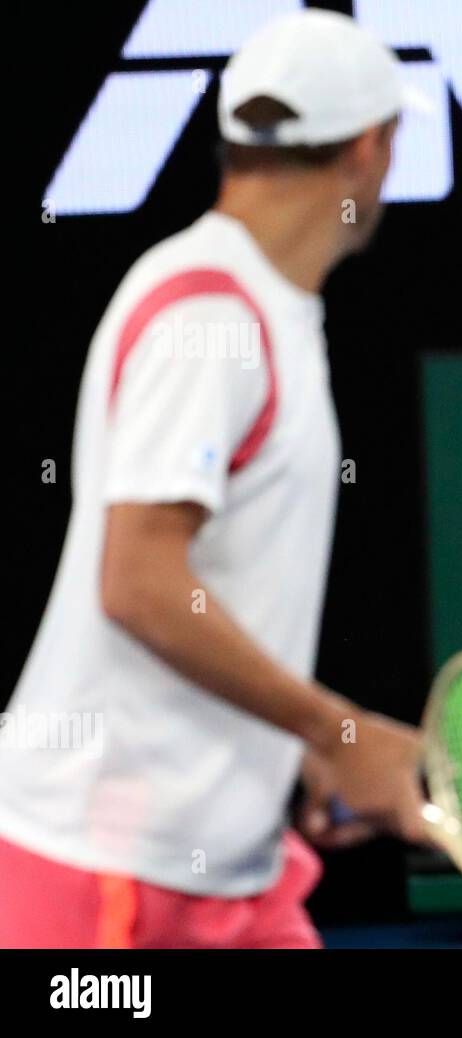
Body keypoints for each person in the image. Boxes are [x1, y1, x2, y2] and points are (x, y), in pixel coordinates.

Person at [0, 10, 431, 949]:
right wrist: (337, 732)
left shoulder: (270, 308)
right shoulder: (209, 313)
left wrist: (286, 744)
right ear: (371, 149)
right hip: (103, 879)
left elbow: (215, 585)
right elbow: (139, 581)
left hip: (236, 877)